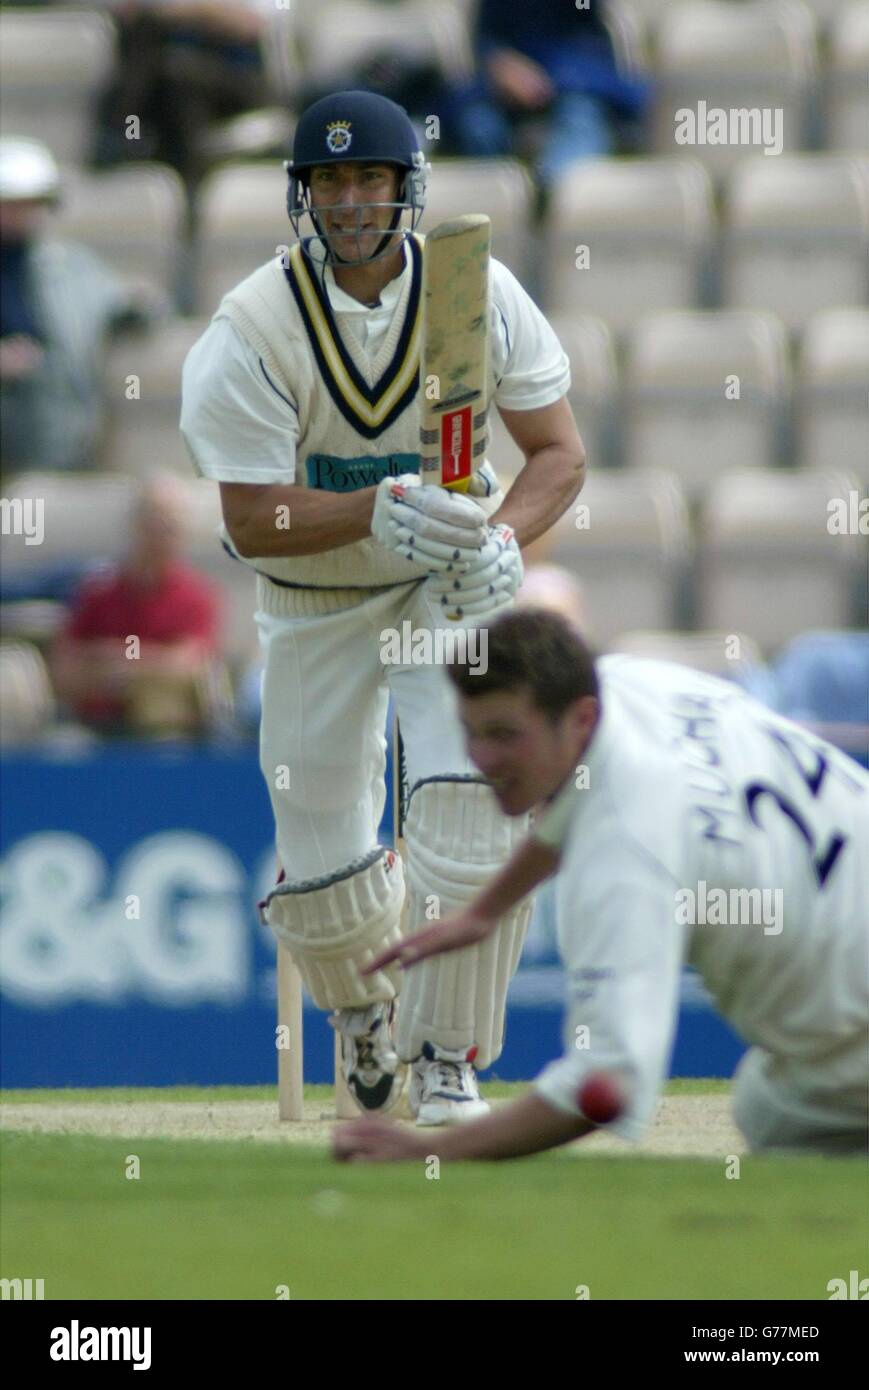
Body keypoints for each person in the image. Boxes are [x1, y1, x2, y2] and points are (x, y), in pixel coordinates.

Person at [180, 90, 585, 1123]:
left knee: (469, 804)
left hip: (440, 588)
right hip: (311, 601)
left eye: (369, 180)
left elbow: (556, 453)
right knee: (320, 853)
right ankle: (362, 1011)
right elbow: (248, 520)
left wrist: (501, 537)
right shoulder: (253, 326)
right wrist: (372, 508)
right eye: (330, 180)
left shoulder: (472, 290)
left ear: (405, 190)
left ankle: (445, 1051)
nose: (351, 201)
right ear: (301, 195)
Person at [334, 609, 868, 1160]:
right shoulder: (623, 684)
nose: (482, 759)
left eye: (504, 735)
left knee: (768, 1107)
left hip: (854, 1040)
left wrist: (434, 1153)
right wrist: (485, 911)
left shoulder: (625, 849)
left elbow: (607, 1086)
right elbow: (577, 804)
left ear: (580, 721)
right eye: (470, 732)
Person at [0, 136, 153, 474]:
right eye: (9, 202)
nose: (18, 214)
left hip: (65, 428)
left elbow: (124, 302)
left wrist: (137, 304)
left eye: (30, 202)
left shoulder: (69, 265)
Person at [51, 475, 223, 737]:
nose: (158, 535)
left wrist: (117, 660)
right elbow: (63, 674)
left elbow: (190, 667)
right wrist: (138, 670)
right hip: (93, 728)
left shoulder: (196, 597)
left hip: (166, 729)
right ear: (134, 526)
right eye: (151, 523)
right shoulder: (98, 593)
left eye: (168, 527)